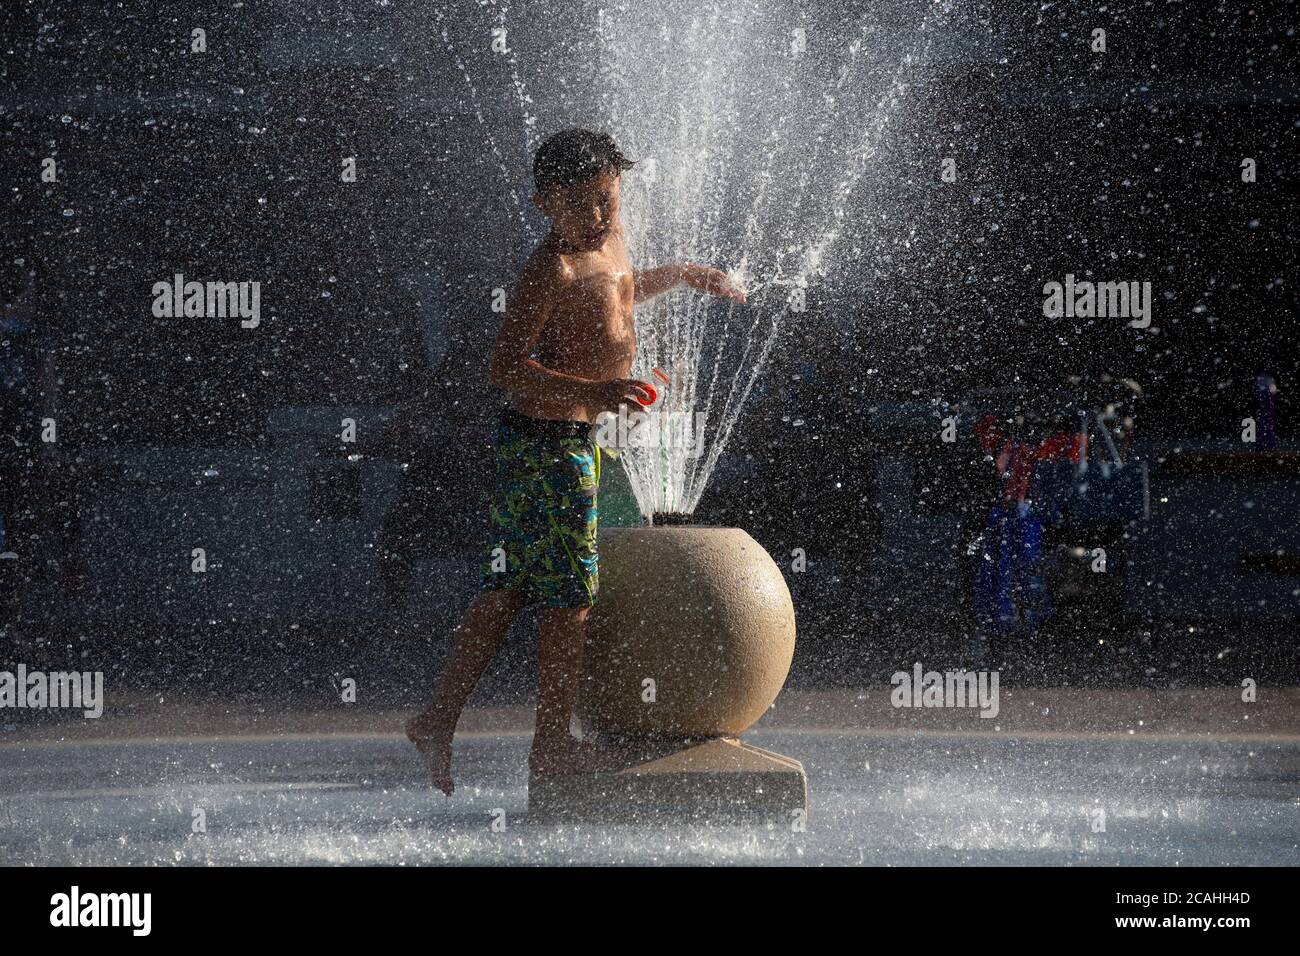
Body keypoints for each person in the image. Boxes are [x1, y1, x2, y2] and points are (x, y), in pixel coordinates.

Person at [405, 129, 745, 794]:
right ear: (544, 205)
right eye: (585, 204)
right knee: (571, 599)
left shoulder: (608, 245)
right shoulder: (547, 271)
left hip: (563, 442)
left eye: (609, 199)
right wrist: (597, 393)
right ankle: (552, 748)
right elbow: (505, 367)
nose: (603, 216)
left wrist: (675, 276)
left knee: (509, 590)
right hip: (548, 447)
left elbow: (617, 294)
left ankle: (437, 720)